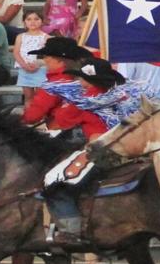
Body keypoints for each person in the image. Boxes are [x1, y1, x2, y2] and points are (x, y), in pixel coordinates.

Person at [40, 56, 123, 246]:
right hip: (124, 148)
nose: (79, 81)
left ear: (91, 80)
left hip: (99, 150)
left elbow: (61, 120)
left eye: (81, 78)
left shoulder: (85, 100)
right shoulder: (121, 94)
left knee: (54, 183)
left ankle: (70, 233)